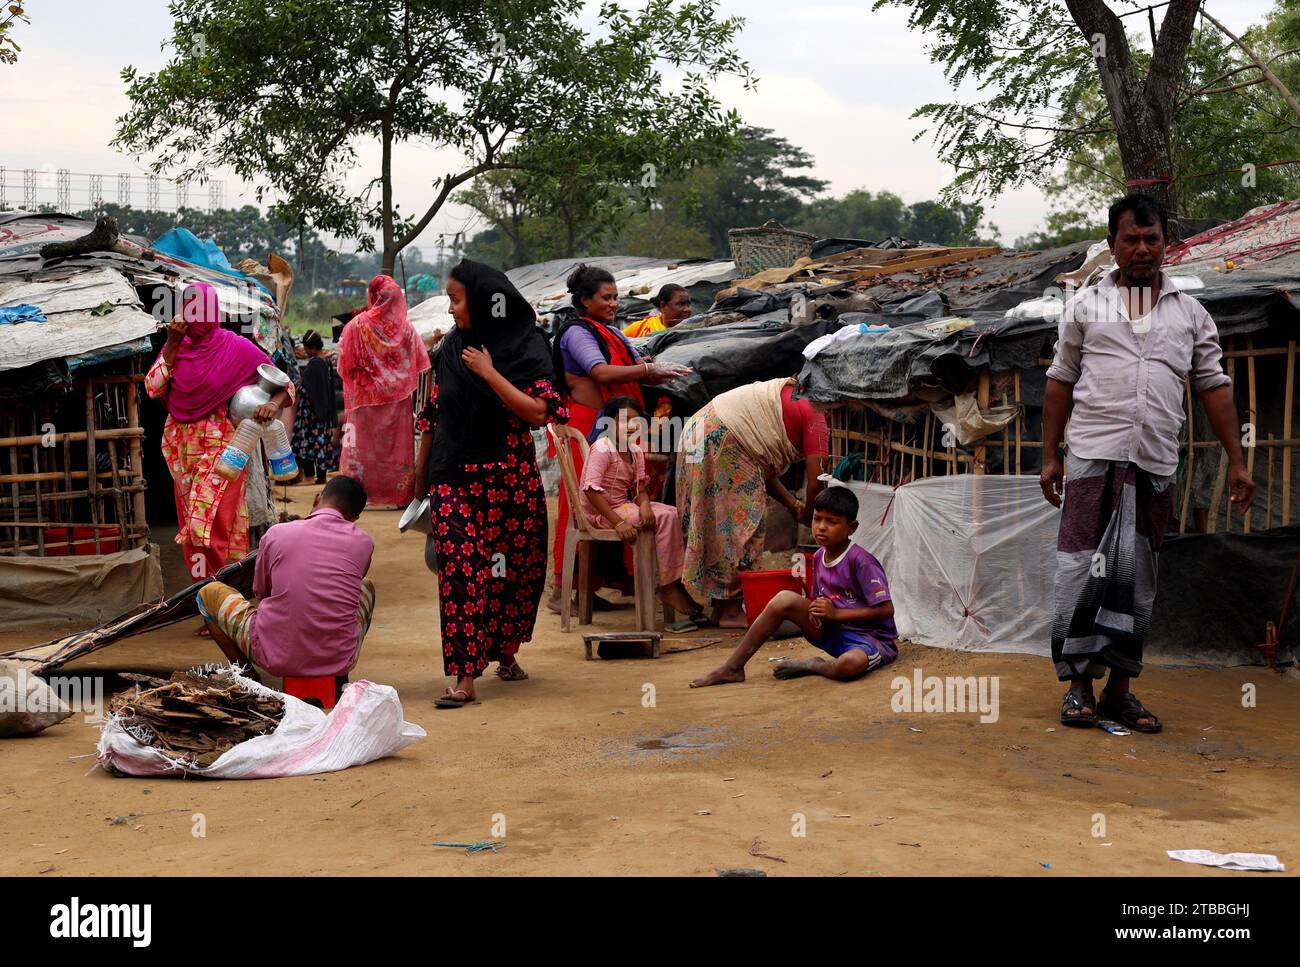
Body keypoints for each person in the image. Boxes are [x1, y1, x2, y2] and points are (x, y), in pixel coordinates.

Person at [1042, 193, 1254, 734]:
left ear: (1166, 243)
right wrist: (1049, 456)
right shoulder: (1085, 307)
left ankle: (1121, 690)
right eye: (1130, 239)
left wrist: (1237, 460)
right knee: (1081, 572)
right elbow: (1059, 381)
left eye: (1151, 238)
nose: (1141, 249)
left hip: (1153, 464)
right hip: (1092, 458)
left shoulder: (1191, 313)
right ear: (1112, 244)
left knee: (1137, 579)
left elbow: (1214, 387)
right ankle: (1078, 689)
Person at [413, 258, 567, 708]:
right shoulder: (449, 350)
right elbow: (431, 416)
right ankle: (464, 677)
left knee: (511, 572)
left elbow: (539, 412)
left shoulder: (527, 345)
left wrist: (490, 372)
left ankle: (505, 652)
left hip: (509, 481)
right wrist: (419, 482)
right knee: (460, 573)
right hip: (453, 477)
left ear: (484, 302)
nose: (450, 311)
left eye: (456, 301)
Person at [547, 264, 689, 612]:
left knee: (621, 499)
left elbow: (638, 368)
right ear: (584, 300)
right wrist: (646, 370)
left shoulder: (613, 332)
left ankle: (605, 583)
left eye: (615, 297)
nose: (614, 304)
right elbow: (600, 372)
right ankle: (566, 589)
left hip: (616, 429)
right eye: (606, 297)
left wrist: (660, 373)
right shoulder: (577, 333)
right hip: (588, 429)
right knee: (583, 505)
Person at [145, 282, 292, 580]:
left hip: (224, 448)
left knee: (208, 524)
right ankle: (206, 596)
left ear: (212, 311)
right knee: (193, 527)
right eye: (188, 308)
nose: (193, 315)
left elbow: (284, 384)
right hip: (181, 449)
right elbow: (152, 387)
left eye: (199, 309)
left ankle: (221, 593)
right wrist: (172, 344)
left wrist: (272, 405)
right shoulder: (177, 347)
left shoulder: (235, 346)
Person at [690, 486, 896, 687]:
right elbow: (818, 599)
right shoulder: (818, 556)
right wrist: (818, 611)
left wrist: (836, 615)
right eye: (817, 519)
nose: (822, 527)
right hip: (835, 633)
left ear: (851, 528)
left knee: (849, 666)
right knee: (783, 599)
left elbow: (887, 610)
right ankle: (733, 667)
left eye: (832, 522)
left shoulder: (861, 561)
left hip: (869, 640)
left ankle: (816, 666)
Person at [676, 375, 829, 628]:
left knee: (718, 522)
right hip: (721, 436)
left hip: (700, 428)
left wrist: (793, 505)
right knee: (742, 523)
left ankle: (723, 606)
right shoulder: (817, 414)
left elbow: (762, 470)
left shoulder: (791, 397)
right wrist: (815, 518)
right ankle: (733, 610)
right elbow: (816, 481)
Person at [197, 475, 376, 682]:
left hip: (274, 655)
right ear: (354, 519)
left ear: (317, 498)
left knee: (207, 593)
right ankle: (339, 679)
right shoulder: (363, 542)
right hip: (340, 658)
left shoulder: (276, 534)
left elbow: (261, 592)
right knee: (366, 587)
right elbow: (351, 587)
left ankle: (248, 677)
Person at [580, 395, 705, 621]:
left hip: (622, 506)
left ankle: (674, 581)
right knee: (665, 520)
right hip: (600, 512)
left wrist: (645, 505)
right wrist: (618, 522)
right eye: (623, 421)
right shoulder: (602, 448)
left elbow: (640, 489)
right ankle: (668, 587)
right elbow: (591, 490)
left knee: (671, 513)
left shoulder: (635, 451)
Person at [337, 274, 429, 507]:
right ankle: (398, 496)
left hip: (363, 400)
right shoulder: (407, 329)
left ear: (372, 295)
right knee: (395, 449)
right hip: (398, 402)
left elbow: (344, 365)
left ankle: (352, 496)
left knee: (359, 446)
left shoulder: (355, 326)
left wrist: (370, 379)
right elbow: (421, 361)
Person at [292, 329, 341, 485]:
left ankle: (308, 477)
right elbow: (329, 390)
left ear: (311, 348)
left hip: (310, 415)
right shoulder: (326, 363)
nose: (305, 351)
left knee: (304, 443)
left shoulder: (314, 364)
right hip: (323, 413)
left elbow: (307, 388)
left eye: (306, 348)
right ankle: (321, 476)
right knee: (321, 445)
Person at [622, 283, 692, 338]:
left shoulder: (694, 331)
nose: (687, 309)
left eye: (688, 304)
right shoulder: (642, 327)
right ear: (663, 306)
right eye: (680, 304)